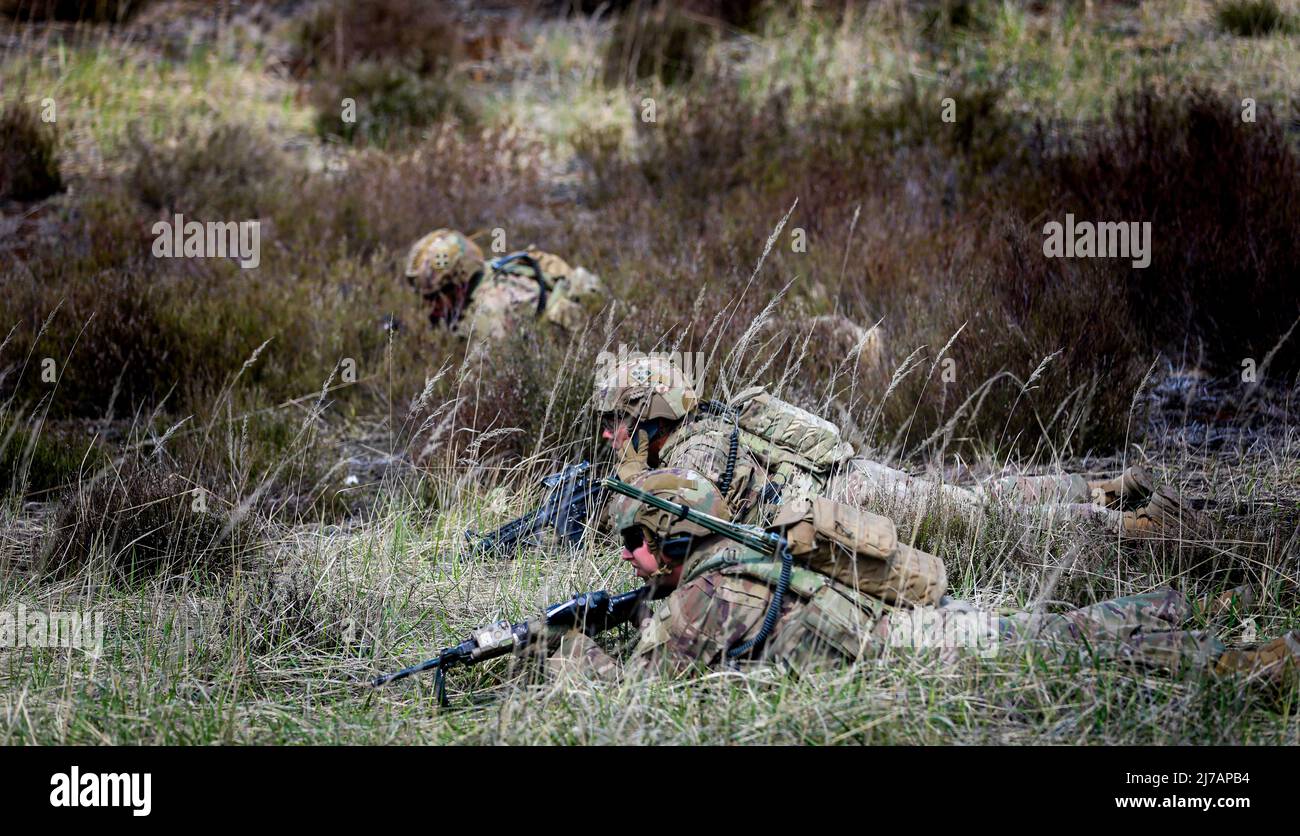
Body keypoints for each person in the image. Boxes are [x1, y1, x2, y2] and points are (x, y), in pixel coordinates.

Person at [547, 468, 1296, 692]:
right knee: (1069, 635)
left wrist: (563, 651)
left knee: (1083, 654)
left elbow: (630, 703)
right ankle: (1209, 605)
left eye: (637, 541)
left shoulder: (698, 601)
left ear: (676, 533)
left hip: (926, 654)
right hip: (918, 633)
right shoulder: (730, 560)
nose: (628, 555)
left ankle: (1253, 663)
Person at [590, 354, 1198, 537]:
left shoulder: (692, 454)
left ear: (649, 416)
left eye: (618, 422)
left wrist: (626, 499)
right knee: (979, 501)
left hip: (852, 501)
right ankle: (1102, 489)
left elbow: (689, 525)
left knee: (988, 522)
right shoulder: (705, 431)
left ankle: (1140, 527)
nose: (612, 436)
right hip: (852, 486)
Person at [403, 228, 608, 344]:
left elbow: (481, 387)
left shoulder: (488, 313)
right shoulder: (491, 268)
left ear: (458, 285)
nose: (430, 306)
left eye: (434, 298)